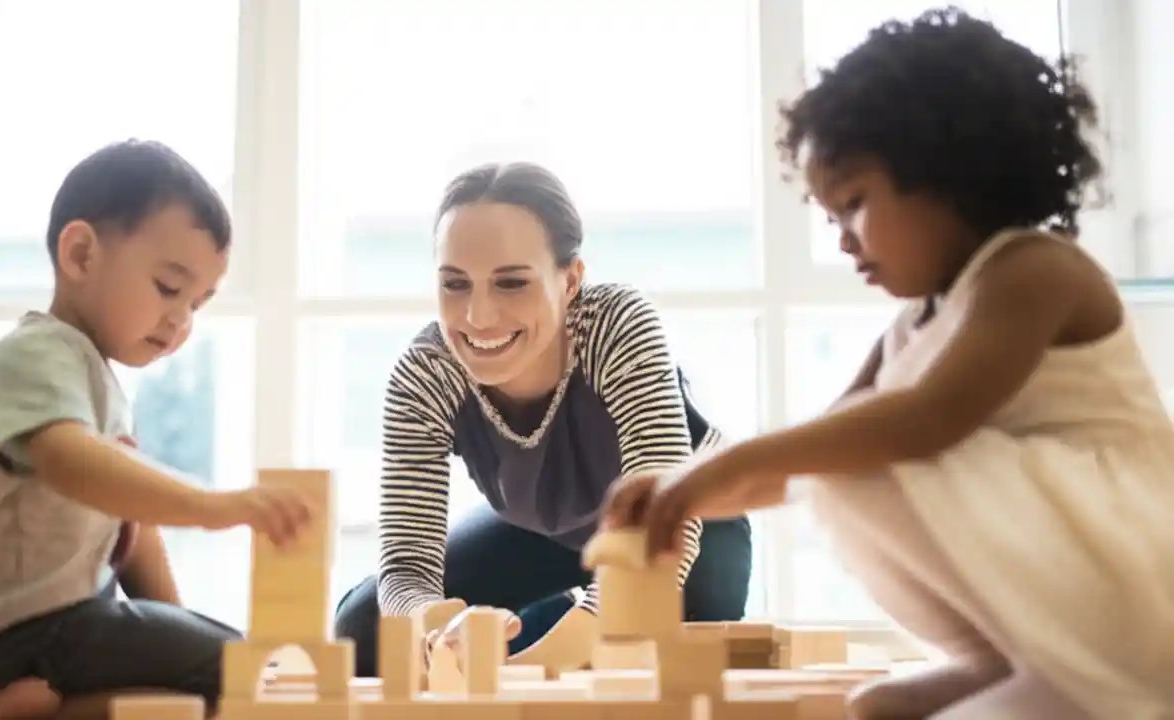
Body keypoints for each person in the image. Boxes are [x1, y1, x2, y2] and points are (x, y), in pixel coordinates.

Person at [599, 7, 1174, 719]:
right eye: (830, 217)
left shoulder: (1034, 272)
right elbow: (797, 465)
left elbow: (927, 420)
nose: (842, 241)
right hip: (1049, 625)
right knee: (880, 705)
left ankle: (1102, 685)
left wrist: (710, 470)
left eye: (855, 204)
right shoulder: (915, 326)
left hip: (1139, 600)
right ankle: (1011, 663)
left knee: (862, 453)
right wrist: (677, 492)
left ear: (948, 171)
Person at [0, 139, 321, 720]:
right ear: (80, 254)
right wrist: (215, 506)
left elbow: (133, 532)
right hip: (4, 632)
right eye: (169, 288)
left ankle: (14, 709)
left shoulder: (91, 379)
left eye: (198, 304)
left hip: (50, 628)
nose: (180, 320)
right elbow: (70, 462)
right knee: (245, 673)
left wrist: (172, 630)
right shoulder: (36, 355)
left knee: (217, 679)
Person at [332, 161, 754, 676]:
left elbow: (661, 528)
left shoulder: (616, 323)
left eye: (511, 284)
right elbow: (406, 566)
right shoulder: (426, 372)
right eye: (455, 284)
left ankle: (555, 621)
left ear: (571, 279)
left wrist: (531, 671)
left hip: (682, 524)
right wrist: (438, 629)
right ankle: (548, 619)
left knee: (658, 659)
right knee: (363, 629)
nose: (478, 317)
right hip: (545, 531)